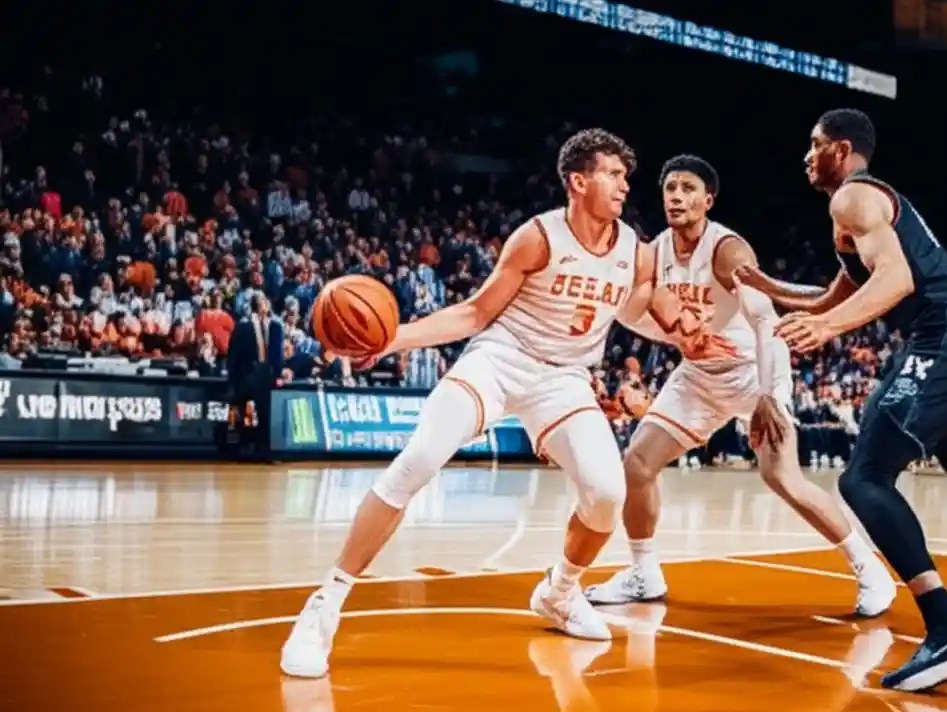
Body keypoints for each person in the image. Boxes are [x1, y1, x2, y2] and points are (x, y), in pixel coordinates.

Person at [279, 129, 734, 678]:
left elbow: (651, 293)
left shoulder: (634, 251)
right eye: (613, 174)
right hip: (499, 360)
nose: (624, 185)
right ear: (579, 181)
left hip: (564, 379)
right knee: (419, 459)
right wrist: (392, 338)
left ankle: (560, 592)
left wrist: (684, 324)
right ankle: (324, 605)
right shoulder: (537, 238)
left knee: (608, 492)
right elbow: (474, 314)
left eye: (624, 176)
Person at [738, 109, 947, 692]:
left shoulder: (852, 197)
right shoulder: (858, 213)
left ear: (842, 149)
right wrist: (771, 290)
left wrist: (827, 332)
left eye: (814, 143)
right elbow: (832, 295)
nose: (806, 154)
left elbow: (895, 282)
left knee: (864, 479)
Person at [584, 154, 896, 617]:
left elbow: (765, 320)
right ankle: (644, 573)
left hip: (755, 370)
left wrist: (770, 394)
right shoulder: (655, 254)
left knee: (781, 476)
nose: (675, 196)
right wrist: (676, 335)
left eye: (688, 188)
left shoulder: (728, 250)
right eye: (669, 187)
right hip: (699, 375)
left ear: (708, 200)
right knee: (637, 465)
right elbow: (635, 315)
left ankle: (870, 571)